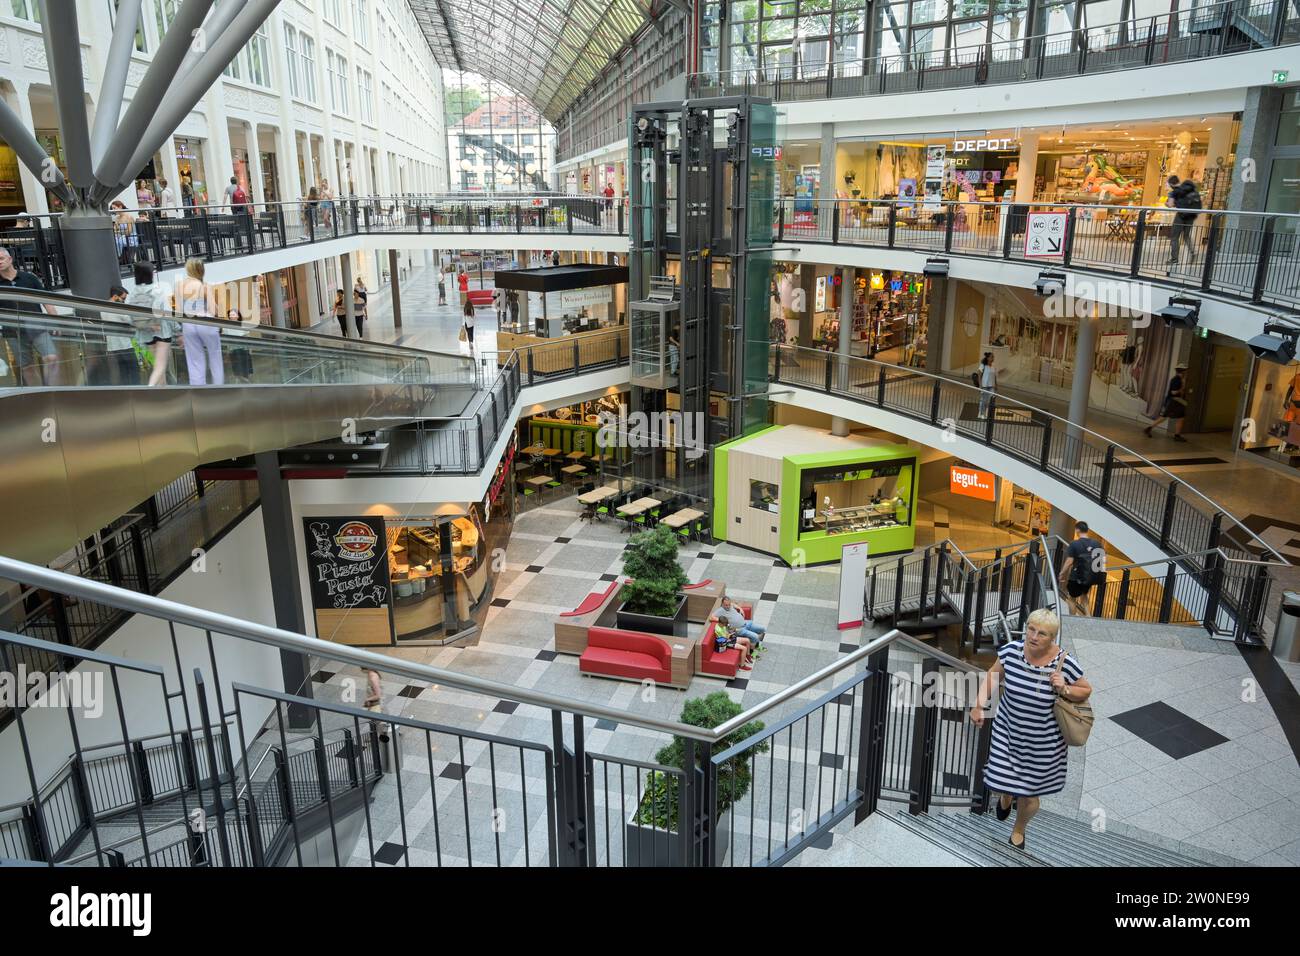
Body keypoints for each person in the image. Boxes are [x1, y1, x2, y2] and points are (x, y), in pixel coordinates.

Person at [969, 608, 1091, 851]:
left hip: (1044, 742)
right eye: (1031, 629)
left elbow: (1085, 689)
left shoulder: (1064, 663)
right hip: (1008, 732)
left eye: (1042, 633)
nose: (1034, 636)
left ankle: (1018, 830)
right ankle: (1005, 796)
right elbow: (993, 675)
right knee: (998, 780)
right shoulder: (1011, 652)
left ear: (1052, 638)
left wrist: (1065, 687)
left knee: (1030, 795)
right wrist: (978, 705)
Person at [0, 245, 60, 386]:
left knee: (51, 358)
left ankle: (51, 391)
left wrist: (55, 320)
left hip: (37, 327)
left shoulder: (28, 278)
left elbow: (46, 301)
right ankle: (40, 397)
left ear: (10, 259)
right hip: (13, 331)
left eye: (1, 258)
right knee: (27, 367)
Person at [174, 257, 223, 385]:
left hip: (188, 323)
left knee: (194, 360)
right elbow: (213, 310)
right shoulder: (204, 286)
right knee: (215, 355)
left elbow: (178, 312)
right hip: (205, 321)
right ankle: (219, 388)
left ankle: (198, 391)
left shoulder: (179, 286)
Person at [125, 260, 175, 386]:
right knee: (160, 366)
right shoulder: (158, 291)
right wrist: (178, 329)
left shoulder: (132, 294)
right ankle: (150, 388)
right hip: (162, 330)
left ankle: (163, 395)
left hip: (145, 332)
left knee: (159, 367)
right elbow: (168, 312)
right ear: (151, 274)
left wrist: (142, 324)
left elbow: (128, 315)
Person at [89, 285, 141, 386]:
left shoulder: (103, 307)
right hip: (124, 345)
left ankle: (126, 395)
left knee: (123, 373)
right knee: (134, 370)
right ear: (115, 296)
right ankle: (138, 393)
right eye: (123, 298)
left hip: (112, 347)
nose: (124, 301)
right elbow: (130, 320)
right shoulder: (117, 308)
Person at [1059, 521, 1105, 616]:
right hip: (1090, 576)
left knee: (1071, 598)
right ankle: (1089, 617)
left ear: (1077, 530)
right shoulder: (1097, 543)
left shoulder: (1075, 544)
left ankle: (1073, 618)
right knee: (1084, 596)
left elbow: (1069, 562)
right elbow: (1102, 559)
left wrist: (1062, 573)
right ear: (1087, 530)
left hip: (1076, 577)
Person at [1164, 175, 1202, 273]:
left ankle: (1174, 259)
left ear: (1172, 184)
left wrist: (1167, 203)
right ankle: (1193, 252)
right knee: (1186, 236)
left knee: (1175, 237)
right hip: (1191, 216)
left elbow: (1170, 205)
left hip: (1181, 216)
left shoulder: (1174, 192)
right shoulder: (1189, 189)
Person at [1144, 363, 1189, 441]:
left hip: (1177, 402)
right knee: (1164, 417)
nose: (1186, 372)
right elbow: (1173, 392)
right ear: (1182, 371)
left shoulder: (1179, 379)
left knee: (1180, 418)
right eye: (1185, 371)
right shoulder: (1176, 380)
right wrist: (1182, 389)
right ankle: (1149, 428)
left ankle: (1177, 435)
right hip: (1174, 401)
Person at [977, 351, 998, 418]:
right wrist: (980, 385)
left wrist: (996, 385)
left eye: (993, 357)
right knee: (983, 400)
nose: (993, 358)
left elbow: (994, 376)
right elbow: (979, 375)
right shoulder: (983, 365)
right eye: (992, 357)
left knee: (989, 400)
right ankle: (981, 413)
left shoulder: (993, 366)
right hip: (985, 385)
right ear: (988, 358)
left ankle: (984, 412)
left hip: (991, 386)